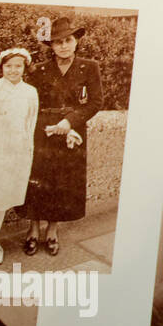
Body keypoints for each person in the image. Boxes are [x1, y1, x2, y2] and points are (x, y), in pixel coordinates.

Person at [24, 19, 103, 259]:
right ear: (51, 46)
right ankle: (33, 228)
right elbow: (31, 102)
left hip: (72, 132)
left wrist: (69, 122)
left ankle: (52, 229)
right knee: (38, 179)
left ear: (76, 41)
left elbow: (95, 102)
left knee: (62, 181)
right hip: (43, 131)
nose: (63, 46)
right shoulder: (39, 70)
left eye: (68, 40)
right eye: (57, 42)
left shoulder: (89, 67)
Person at [0, 49, 38, 266]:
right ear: (2, 67)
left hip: (14, 152)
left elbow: (31, 123)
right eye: (8, 66)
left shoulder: (30, 92)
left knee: (1, 198)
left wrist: (26, 149)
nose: (13, 70)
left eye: (18, 66)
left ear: (24, 68)